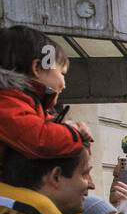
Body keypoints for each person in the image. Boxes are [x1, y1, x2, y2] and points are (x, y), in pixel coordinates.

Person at [0, 25, 91, 164]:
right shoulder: (7, 104)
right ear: (37, 68)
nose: (64, 84)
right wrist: (74, 133)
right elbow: (39, 139)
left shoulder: (26, 104)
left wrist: (67, 126)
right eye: (62, 73)